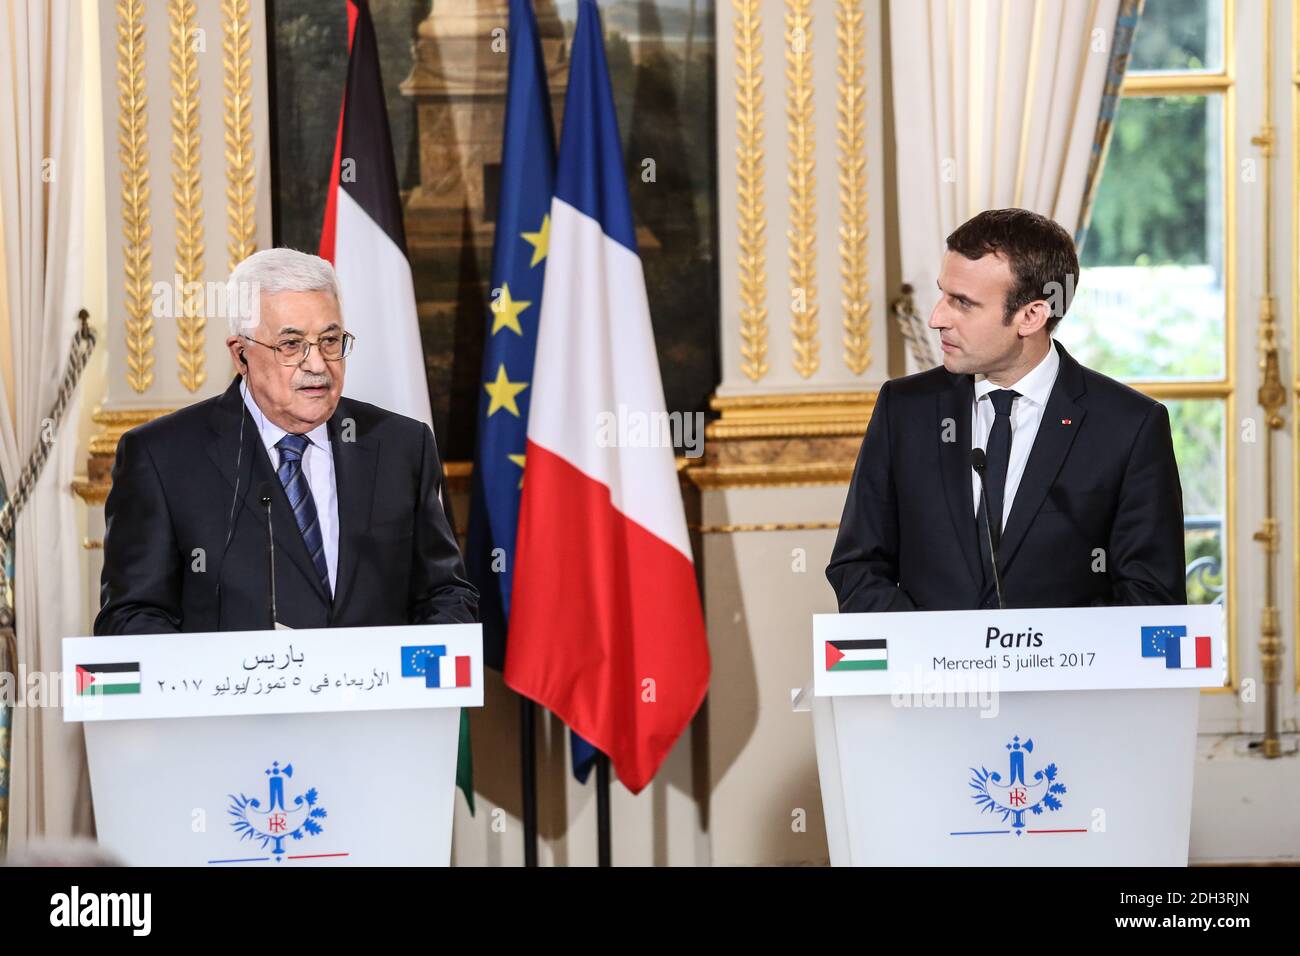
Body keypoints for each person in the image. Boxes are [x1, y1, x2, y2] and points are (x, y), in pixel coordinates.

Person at [95, 248, 477, 634]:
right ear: (241, 355)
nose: (317, 364)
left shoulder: (402, 446)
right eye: (291, 345)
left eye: (330, 340)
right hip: (240, 688)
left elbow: (445, 594)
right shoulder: (163, 458)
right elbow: (131, 617)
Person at [826, 208, 1187, 611]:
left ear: (1031, 315)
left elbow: (1151, 598)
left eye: (962, 303)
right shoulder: (905, 409)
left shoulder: (1129, 427)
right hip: (929, 671)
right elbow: (857, 566)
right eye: (943, 294)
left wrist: (1038, 659)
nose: (936, 318)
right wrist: (932, 653)